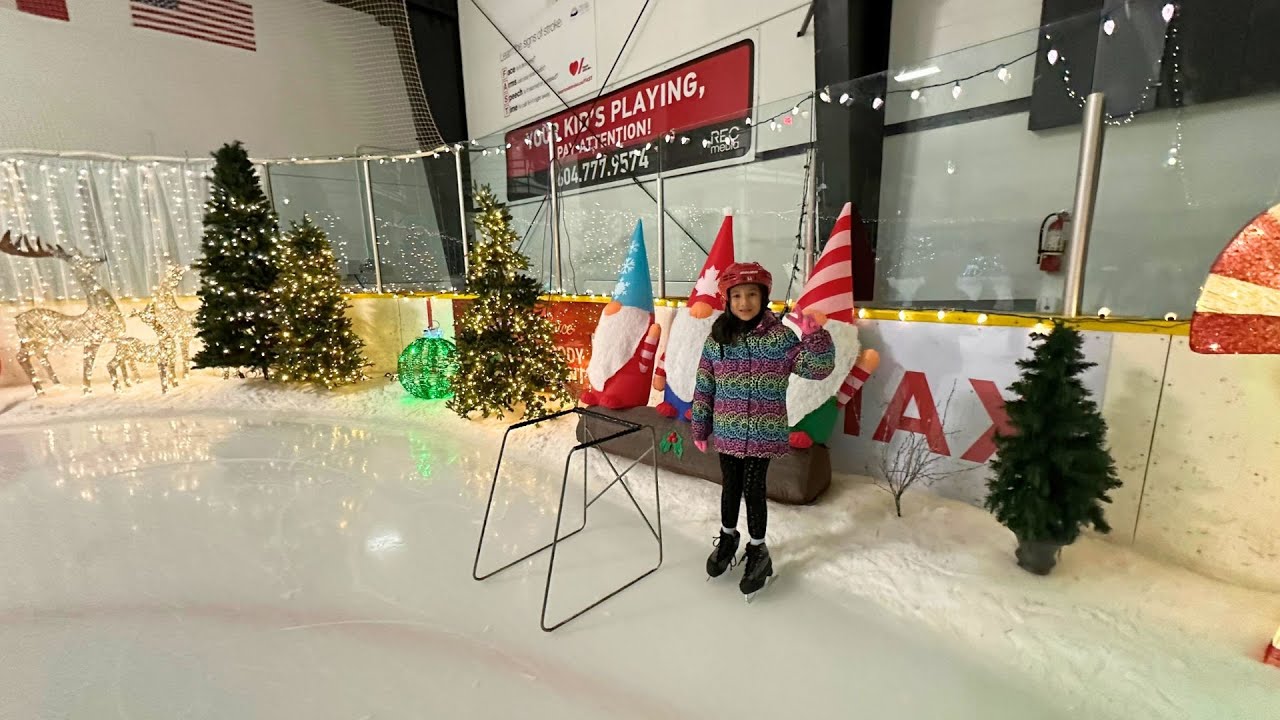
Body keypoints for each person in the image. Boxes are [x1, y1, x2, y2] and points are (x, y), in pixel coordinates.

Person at [690, 261, 835, 596]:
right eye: (737, 295)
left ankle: (758, 551)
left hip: (763, 432)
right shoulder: (718, 338)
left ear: (764, 297)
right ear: (727, 299)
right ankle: (728, 537)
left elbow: (818, 369)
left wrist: (814, 336)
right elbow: (705, 384)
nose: (744, 302)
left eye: (752, 294)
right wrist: (700, 426)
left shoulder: (779, 338)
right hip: (727, 430)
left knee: (753, 490)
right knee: (730, 486)